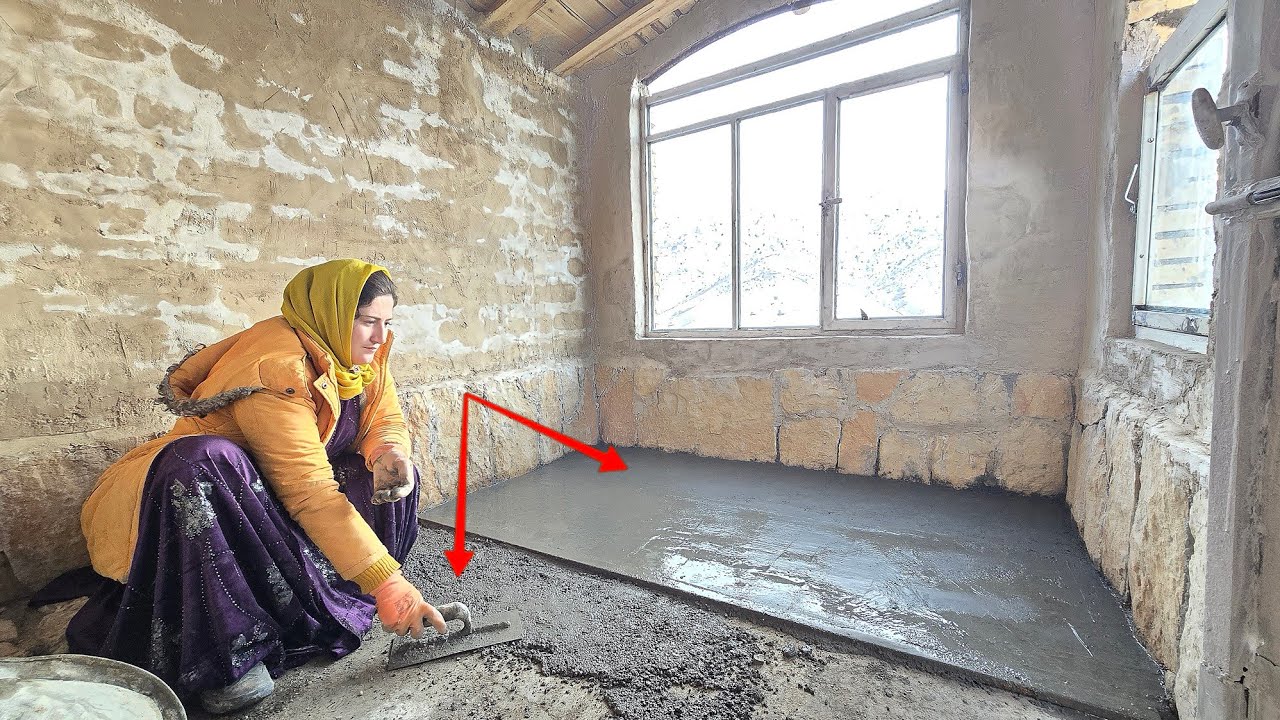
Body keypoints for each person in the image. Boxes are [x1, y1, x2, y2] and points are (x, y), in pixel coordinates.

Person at [67, 259, 447, 714]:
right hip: (202, 505)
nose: (380, 337)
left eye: (387, 323)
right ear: (331, 314)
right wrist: (393, 590)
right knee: (203, 461)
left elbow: (382, 416)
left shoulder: (361, 356)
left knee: (385, 475)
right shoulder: (276, 367)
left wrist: (389, 453)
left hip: (269, 490)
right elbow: (308, 491)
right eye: (368, 322)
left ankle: (347, 586)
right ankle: (223, 656)